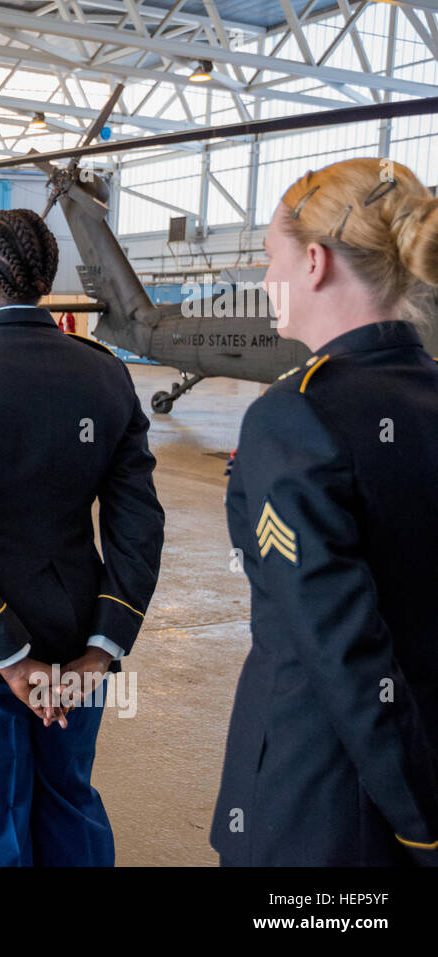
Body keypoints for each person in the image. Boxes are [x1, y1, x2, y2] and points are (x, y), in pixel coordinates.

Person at [0, 208, 164, 866]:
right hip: (75, 637)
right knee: (68, 800)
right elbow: (139, 522)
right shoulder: (104, 370)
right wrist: (101, 650)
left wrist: (8, 653)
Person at [211, 158, 438, 865]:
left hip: (326, 808)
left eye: (271, 259)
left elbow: (344, 650)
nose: (265, 281)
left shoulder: (296, 415)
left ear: (313, 262)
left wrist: (420, 823)